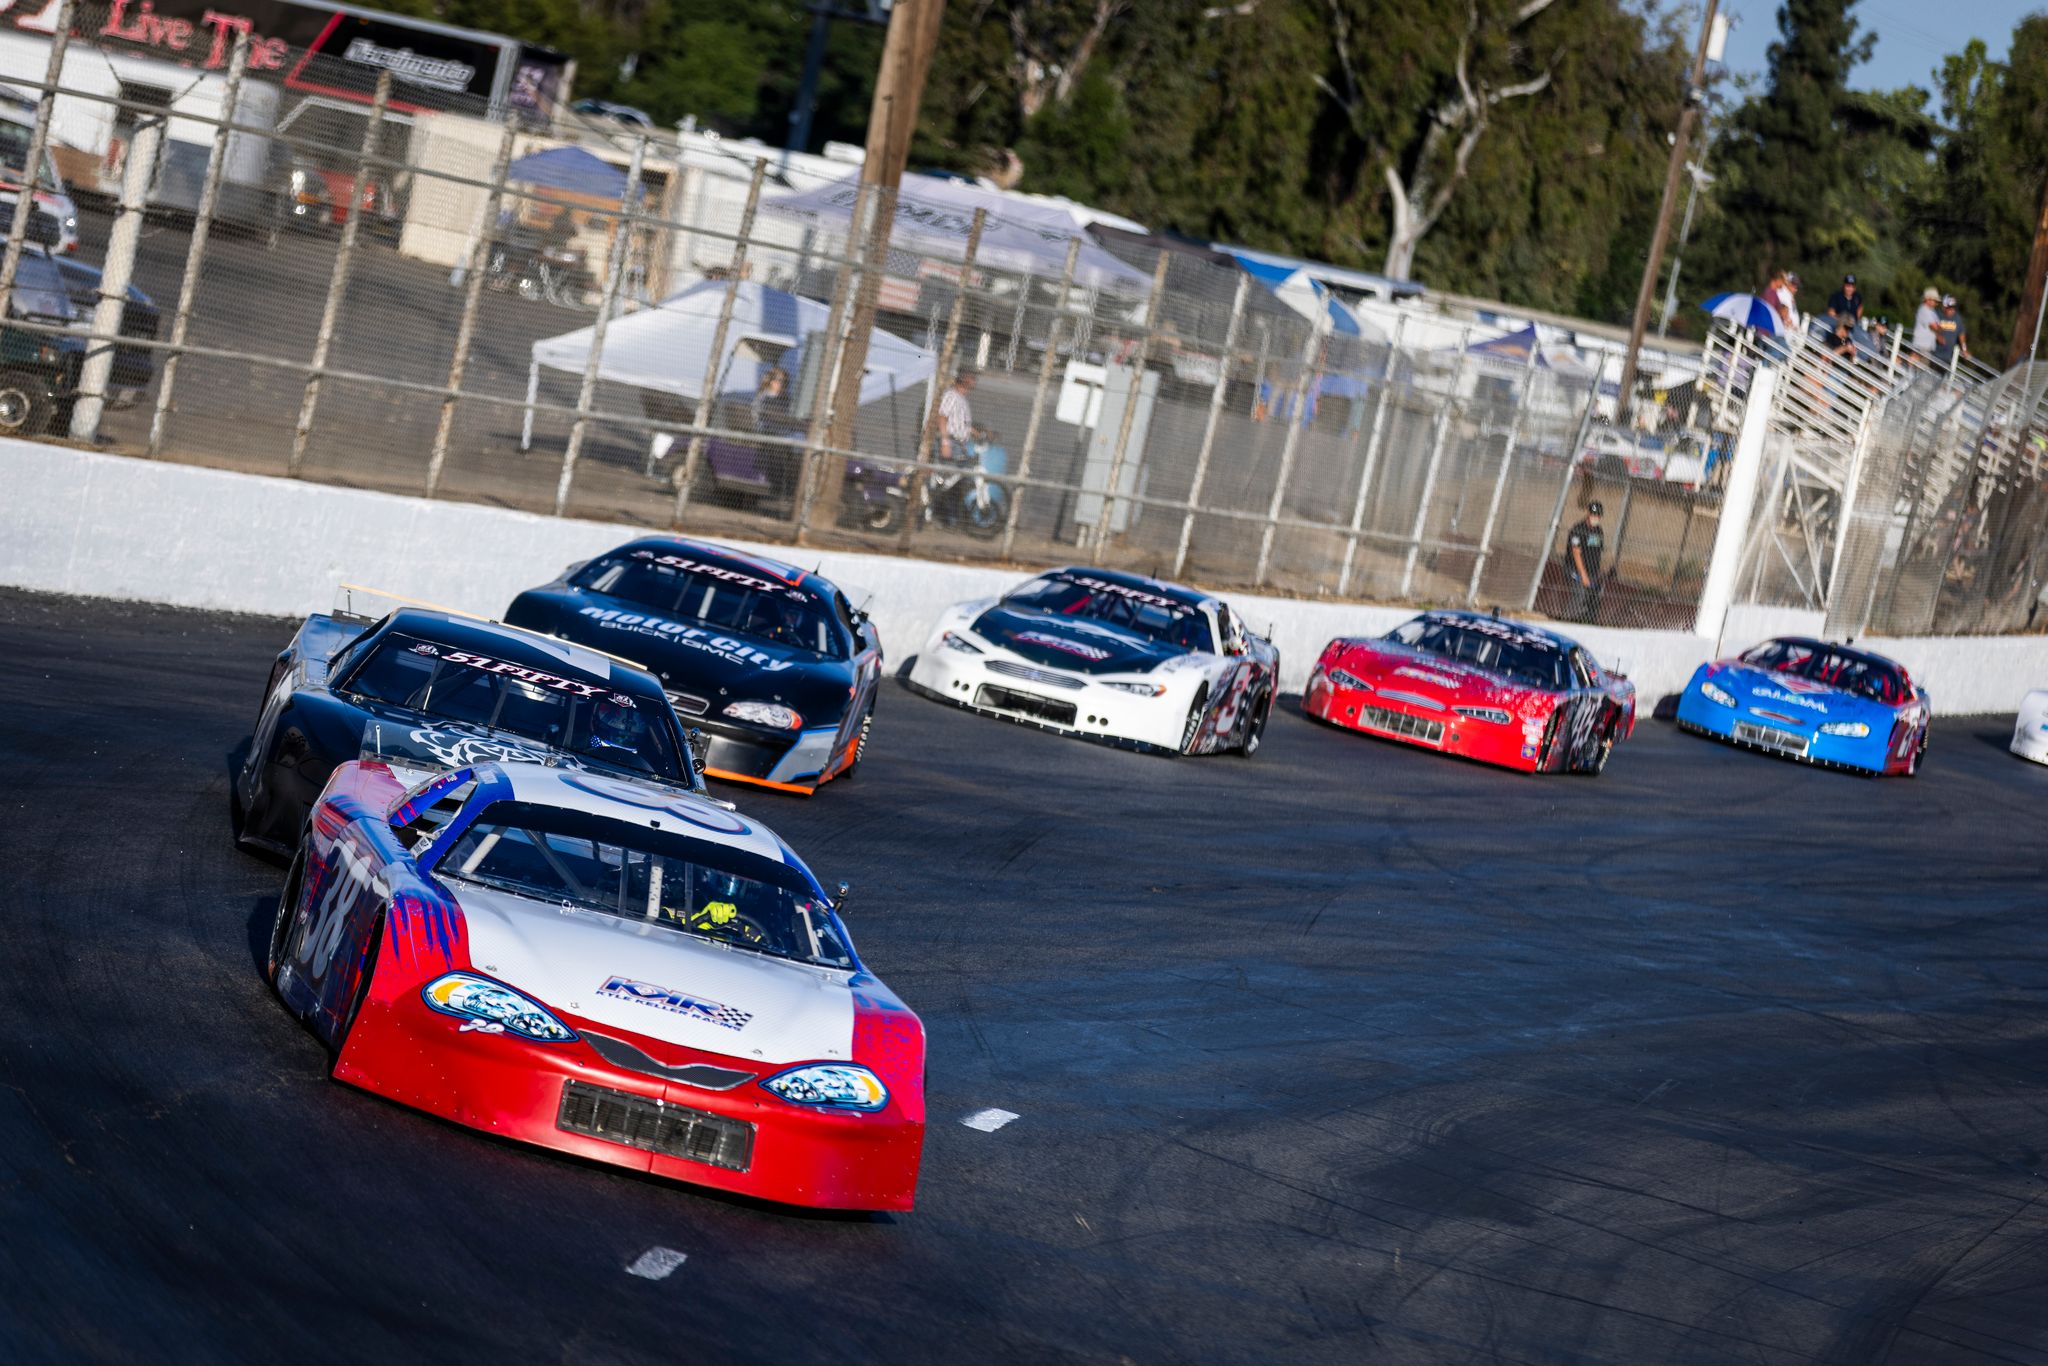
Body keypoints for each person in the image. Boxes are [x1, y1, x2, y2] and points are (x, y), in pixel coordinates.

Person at [1563, 501, 1605, 623]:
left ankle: (1583, 622)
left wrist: (1597, 573)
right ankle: (1566, 620)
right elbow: (1576, 553)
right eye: (1593, 514)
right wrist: (1583, 575)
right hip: (1575, 569)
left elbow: (1597, 552)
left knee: (1594, 595)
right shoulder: (1578, 529)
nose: (1595, 518)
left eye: (1598, 515)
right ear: (1588, 513)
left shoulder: (1598, 531)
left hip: (1591, 571)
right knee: (1580, 594)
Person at [936, 369, 979, 464]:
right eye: (972, 378)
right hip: (951, 443)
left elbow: (959, 424)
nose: (975, 381)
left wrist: (974, 432)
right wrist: (945, 443)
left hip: (960, 445)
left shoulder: (962, 399)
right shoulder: (952, 396)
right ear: (963, 379)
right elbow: (942, 417)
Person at [1930, 295, 1968, 368]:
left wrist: (1964, 349)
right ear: (1944, 307)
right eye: (1950, 308)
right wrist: (1937, 336)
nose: (1952, 310)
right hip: (1933, 355)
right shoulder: (1936, 315)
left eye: (1954, 308)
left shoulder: (1957, 318)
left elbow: (1961, 333)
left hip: (1947, 358)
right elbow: (1928, 328)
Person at [1912, 286, 1941, 352]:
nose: (1936, 303)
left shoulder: (1932, 311)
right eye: (1935, 301)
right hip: (1921, 345)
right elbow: (1935, 327)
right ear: (1928, 299)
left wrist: (1939, 327)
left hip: (1927, 346)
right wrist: (1939, 328)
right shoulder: (1924, 310)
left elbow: (1938, 326)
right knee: (1916, 358)